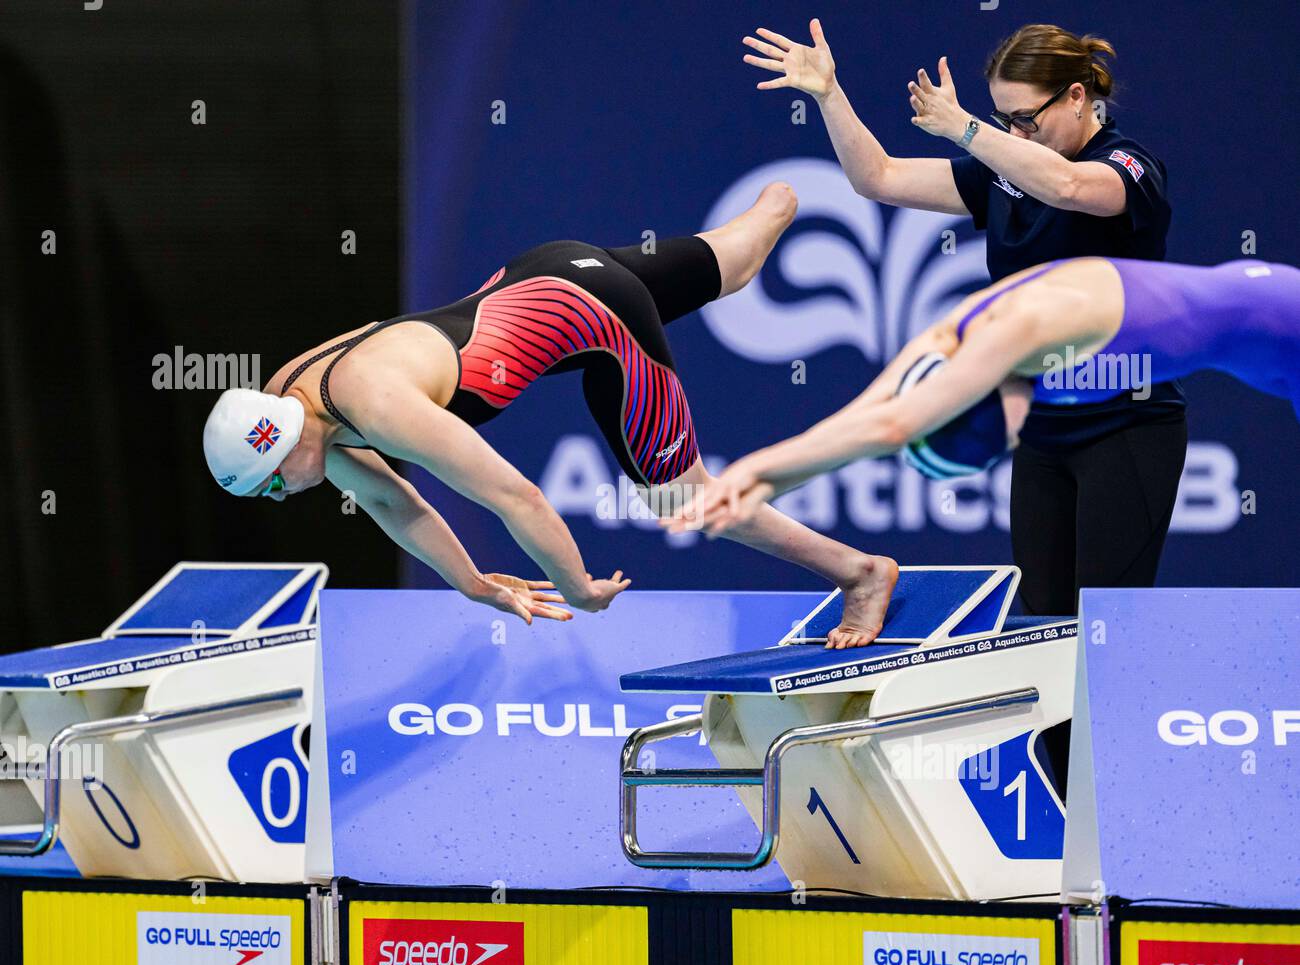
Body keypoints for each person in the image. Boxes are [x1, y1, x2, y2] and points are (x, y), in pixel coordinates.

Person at [202, 185, 898, 647]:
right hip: (552, 270)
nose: (278, 496)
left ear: (280, 447)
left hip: (596, 320)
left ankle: (857, 571)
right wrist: (474, 583)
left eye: (269, 483)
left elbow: (515, 495)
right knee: (737, 268)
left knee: (681, 496)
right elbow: (392, 499)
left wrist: (578, 587)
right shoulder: (290, 396)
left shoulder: (380, 406)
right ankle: (781, 200)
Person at [742, 20, 1184, 614]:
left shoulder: (1130, 165)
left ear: (1078, 96)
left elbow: (1071, 187)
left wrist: (966, 128)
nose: (1017, 133)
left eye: (1028, 118)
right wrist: (829, 95)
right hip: (1043, 426)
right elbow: (878, 177)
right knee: (1047, 622)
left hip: (1126, 425)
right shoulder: (1008, 170)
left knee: (1107, 622)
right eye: (1006, 119)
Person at [679, 256, 1300, 536]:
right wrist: (762, 488)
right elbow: (867, 416)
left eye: (1007, 436)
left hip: (1285, 322)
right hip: (1258, 355)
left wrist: (754, 465)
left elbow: (893, 430)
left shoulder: (1024, 329)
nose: (1021, 430)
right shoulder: (948, 341)